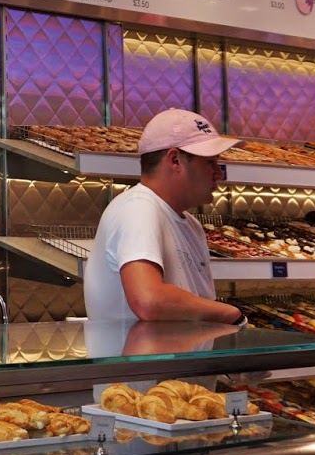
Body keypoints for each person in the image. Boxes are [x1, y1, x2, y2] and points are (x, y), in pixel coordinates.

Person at [83, 109, 247, 325]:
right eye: (210, 162)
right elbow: (148, 299)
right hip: (144, 359)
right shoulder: (138, 208)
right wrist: (233, 315)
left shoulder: (191, 225)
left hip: (176, 358)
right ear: (175, 160)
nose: (219, 173)